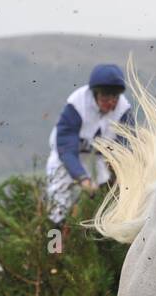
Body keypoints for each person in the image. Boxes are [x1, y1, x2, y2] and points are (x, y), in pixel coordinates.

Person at [45, 64, 134, 225]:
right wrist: (82, 179)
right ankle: (54, 247)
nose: (111, 103)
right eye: (105, 97)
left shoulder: (123, 109)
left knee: (106, 204)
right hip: (66, 159)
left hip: (99, 161)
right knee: (57, 209)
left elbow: (126, 149)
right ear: (95, 93)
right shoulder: (77, 105)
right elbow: (66, 148)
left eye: (115, 97)